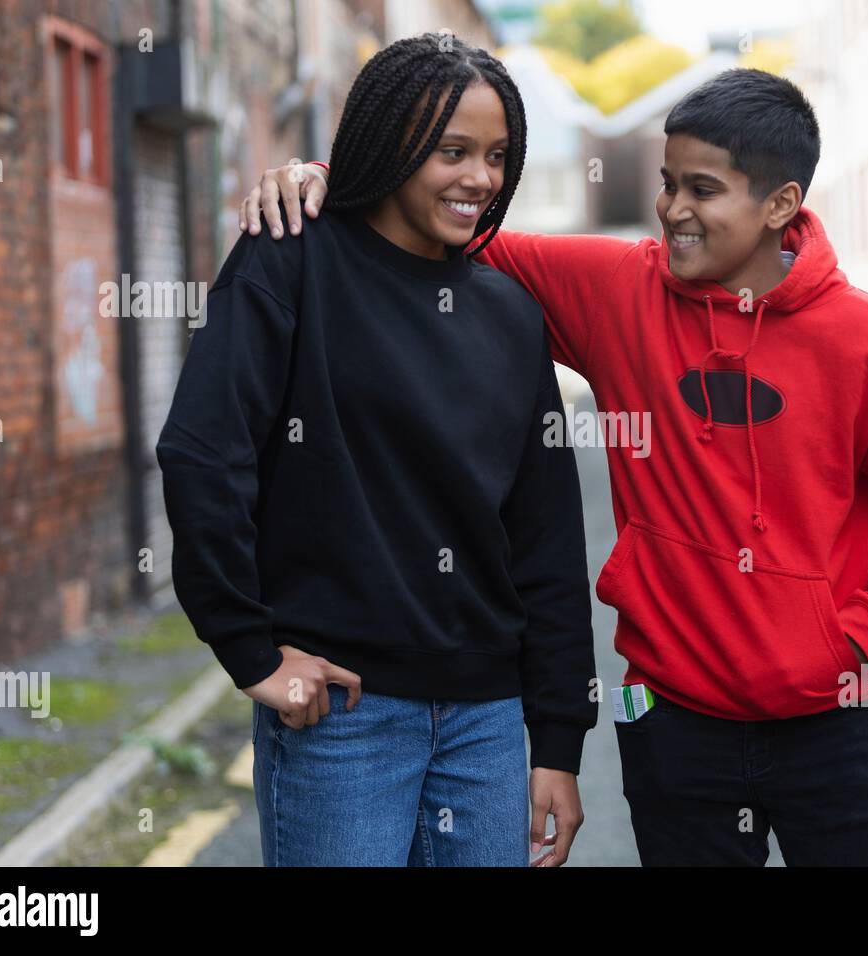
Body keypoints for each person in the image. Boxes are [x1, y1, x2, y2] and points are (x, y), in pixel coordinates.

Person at [242, 67, 868, 866]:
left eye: (703, 190)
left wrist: (856, 638)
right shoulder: (621, 291)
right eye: (668, 184)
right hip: (673, 726)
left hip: (841, 723)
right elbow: (457, 223)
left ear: (780, 205)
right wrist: (331, 178)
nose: (673, 209)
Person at [155, 33, 597, 867]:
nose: (480, 179)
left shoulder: (508, 313)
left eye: (497, 156)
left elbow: (545, 538)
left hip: (487, 727)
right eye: (452, 150)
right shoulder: (290, 258)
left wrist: (559, 742)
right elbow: (204, 453)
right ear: (390, 138)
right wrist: (250, 651)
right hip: (342, 721)